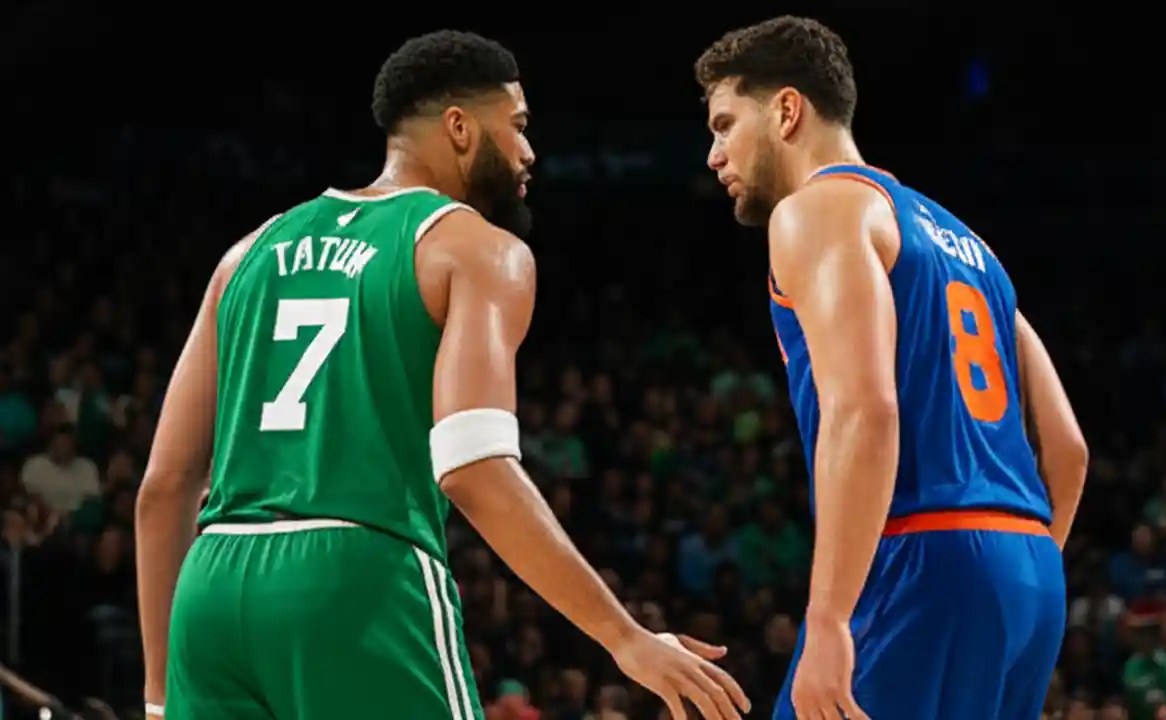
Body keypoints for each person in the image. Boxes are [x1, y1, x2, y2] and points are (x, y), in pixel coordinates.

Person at [135, 30, 749, 720]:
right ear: (460, 127)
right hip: (355, 578)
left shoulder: (245, 255)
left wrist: (160, 694)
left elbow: (165, 487)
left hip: (211, 591)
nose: (528, 152)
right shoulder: (474, 249)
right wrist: (625, 637)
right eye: (517, 126)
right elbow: (472, 466)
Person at [694, 16, 1088, 720]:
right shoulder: (972, 246)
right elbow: (1068, 449)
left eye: (725, 125)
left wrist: (829, 620)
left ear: (787, 110)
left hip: (918, 553)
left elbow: (865, 411)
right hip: (1030, 569)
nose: (714, 156)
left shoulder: (818, 211)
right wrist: (1008, 580)